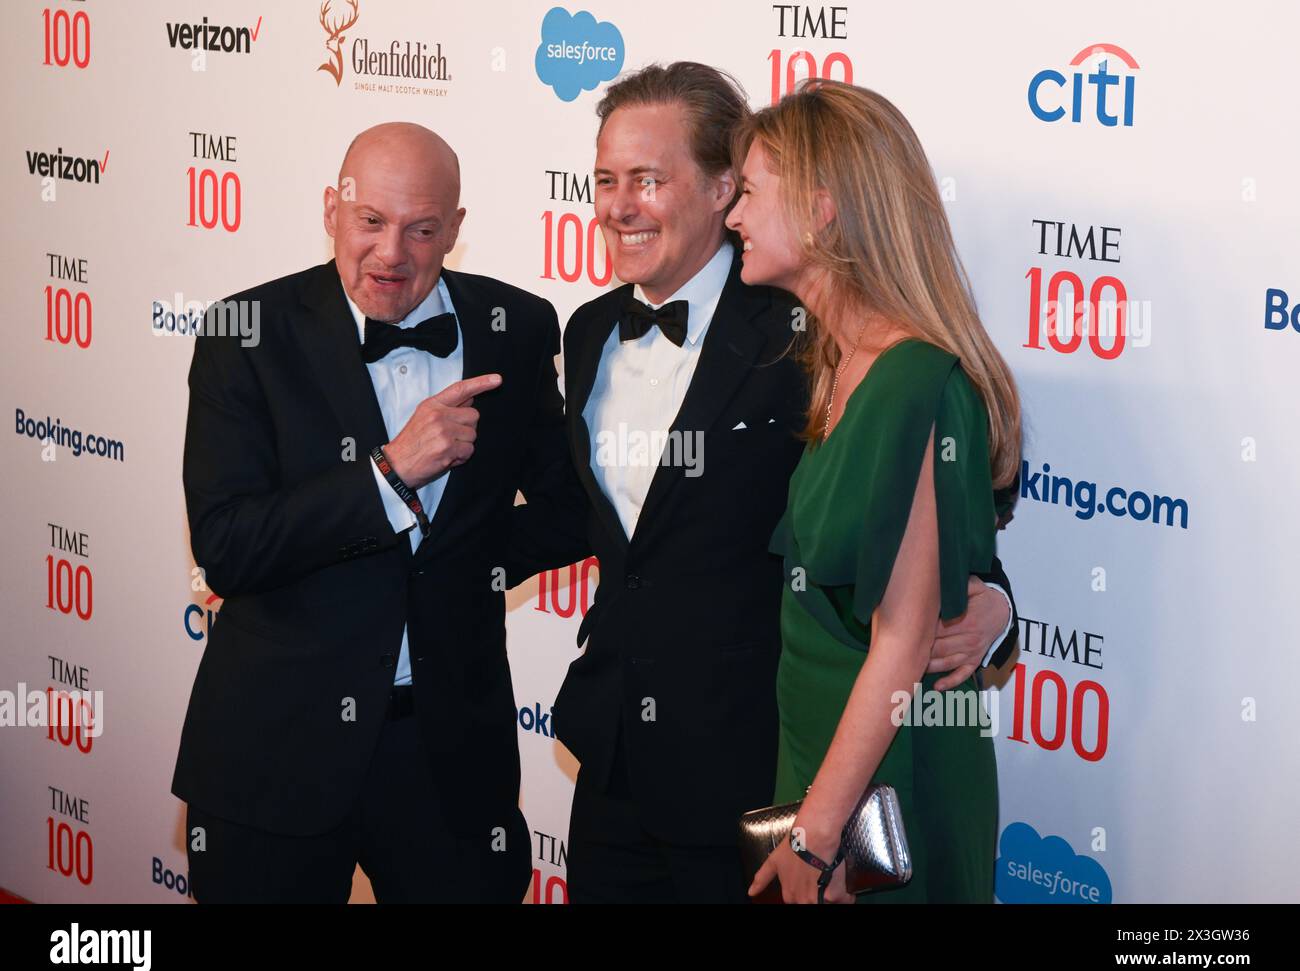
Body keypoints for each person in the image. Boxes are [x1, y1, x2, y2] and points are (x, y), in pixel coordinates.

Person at [531, 63, 1020, 904]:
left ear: (723, 187)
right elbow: (592, 523)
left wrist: (997, 609)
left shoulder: (814, 337)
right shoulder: (588, 330)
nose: (616, 204)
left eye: (647, 179)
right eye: (605, 179)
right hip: (611, 761)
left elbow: (945, 515)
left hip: (757, 773)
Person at [173, 122, 584, 902]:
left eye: (421, 229)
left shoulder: (519, 326)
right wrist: (389, 475)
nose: (392, 253)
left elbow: (569, 509)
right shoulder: (244, 333)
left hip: (448, 753)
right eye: (371, 222)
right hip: (277, 744)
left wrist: (472, 561)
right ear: (332, 209)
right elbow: (225, 545)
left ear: (455, 230)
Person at [727, 80, 1023, 903]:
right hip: (823, 759)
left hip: (884, 785)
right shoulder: (835, 363)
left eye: (750, 193)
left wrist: (814, 841)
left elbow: (900, 643)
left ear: (823, 210)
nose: (734, 216)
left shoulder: (911, 384)